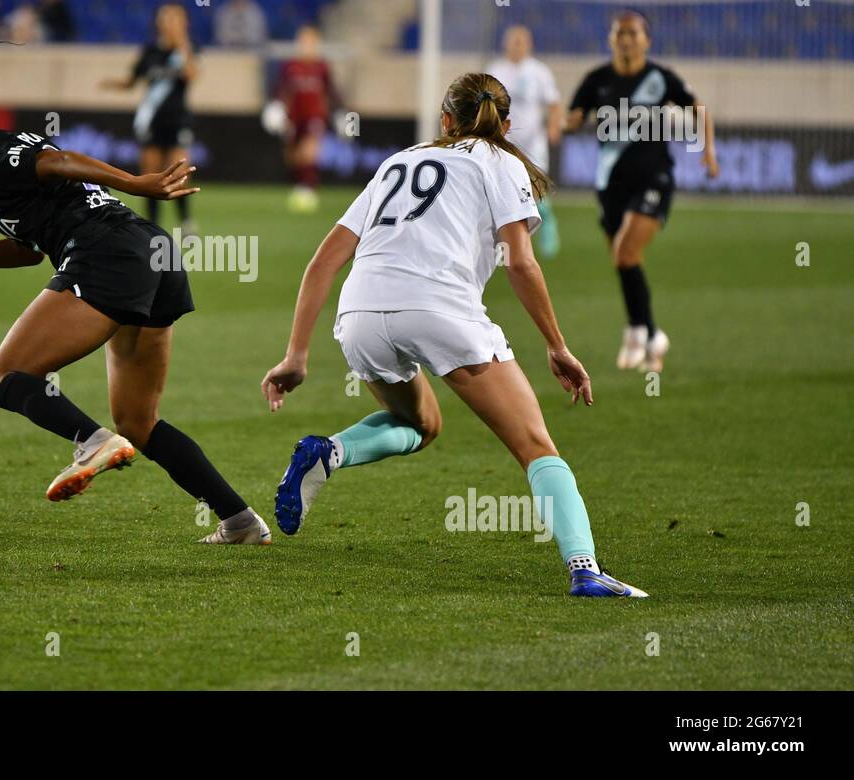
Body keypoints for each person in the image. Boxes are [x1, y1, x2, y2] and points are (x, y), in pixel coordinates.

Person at [0, 0, 269, 544]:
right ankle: (241, 522)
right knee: (138, 421)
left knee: (2, 379)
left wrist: (137, 182)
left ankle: (88, 440)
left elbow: (56, 161)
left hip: (105, 252)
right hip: (149, 252)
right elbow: (28, 250)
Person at [260, 72, 649, 596]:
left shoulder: (398, 161)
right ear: (507, 125)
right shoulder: (502, 161)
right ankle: (585, 568)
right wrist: (557, 346)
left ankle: (329, 452)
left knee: (422, 423)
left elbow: (323, 262)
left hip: (360, 315)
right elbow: (521, 264)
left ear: (444, 120)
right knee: (536, 445)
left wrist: (296, 356)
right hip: (440, 309)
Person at [565, 10, 718, 372]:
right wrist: (560, 124)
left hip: (654, 179)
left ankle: (638, 332)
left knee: (625, 252)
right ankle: (649, 333)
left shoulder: (660, 79)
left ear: (647, 40)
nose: (626, 39)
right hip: (609, 184)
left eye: (633, 33)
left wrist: (709, 152)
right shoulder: (596, 80)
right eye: (620, 33)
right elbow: (572, 119)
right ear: (611, 39)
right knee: (624, 262)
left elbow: (700, 111)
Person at [99, 2, 198, 235]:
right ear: (158, 23)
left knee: (178, 172)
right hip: (152, 120)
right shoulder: (150, 52)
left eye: (176, 18)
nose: (170, 23)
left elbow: (192, 75)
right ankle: (151, 225)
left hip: (178, 120)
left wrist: (183, 45)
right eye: (166, 18)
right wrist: (112, 84)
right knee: (150, 174)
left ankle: (186, 223)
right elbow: (132, 81)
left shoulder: (187, 51)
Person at [486, 25, 563, 258]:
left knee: (536, 185)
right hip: (503, 139)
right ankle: (504, 233)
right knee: (501, 186)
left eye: (522, 41)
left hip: (532, 139)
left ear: (529, 44)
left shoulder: (539, 72)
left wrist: (553, 127)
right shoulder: (494, 70)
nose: (517, 45)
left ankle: (547, 222)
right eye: (514, 40)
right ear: (505, 43)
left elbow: (554, 103)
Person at [272, 23, 342, 213]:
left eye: (311, 42)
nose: (307, 46)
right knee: (293, 157)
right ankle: (300, 186)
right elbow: (280, 90)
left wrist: (340, 114)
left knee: (308, 152)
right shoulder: (290, 67)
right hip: (294, 118)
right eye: (304, 41)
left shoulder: (322, 67)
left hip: (315, 117)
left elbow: (332, 93)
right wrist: (277, 109)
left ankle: (309, 190)